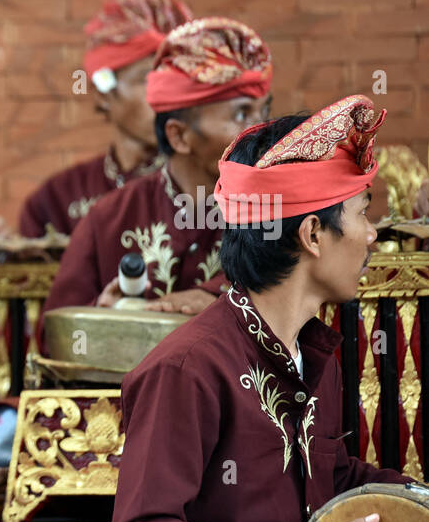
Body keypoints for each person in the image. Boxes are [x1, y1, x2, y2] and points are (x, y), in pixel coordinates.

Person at [108, 96, 429, 522]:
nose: (374, 235)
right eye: (362, 213)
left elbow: (335, 475)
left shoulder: (311, 352)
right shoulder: (189, 367)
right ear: (313, 235)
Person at [41, 17, 274, 320]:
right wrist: (104, 320)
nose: (262, 131)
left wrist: (217, 300)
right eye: (242, 114)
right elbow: (59, 332)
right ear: (179, 136)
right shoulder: (109, 220)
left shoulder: (276, 211)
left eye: (265, 111)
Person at [17, 0, 192, 240]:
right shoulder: (55, 202)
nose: (166, 96)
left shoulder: (204, 188)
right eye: (146, 79)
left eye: (175, 79)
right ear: (104, 93)